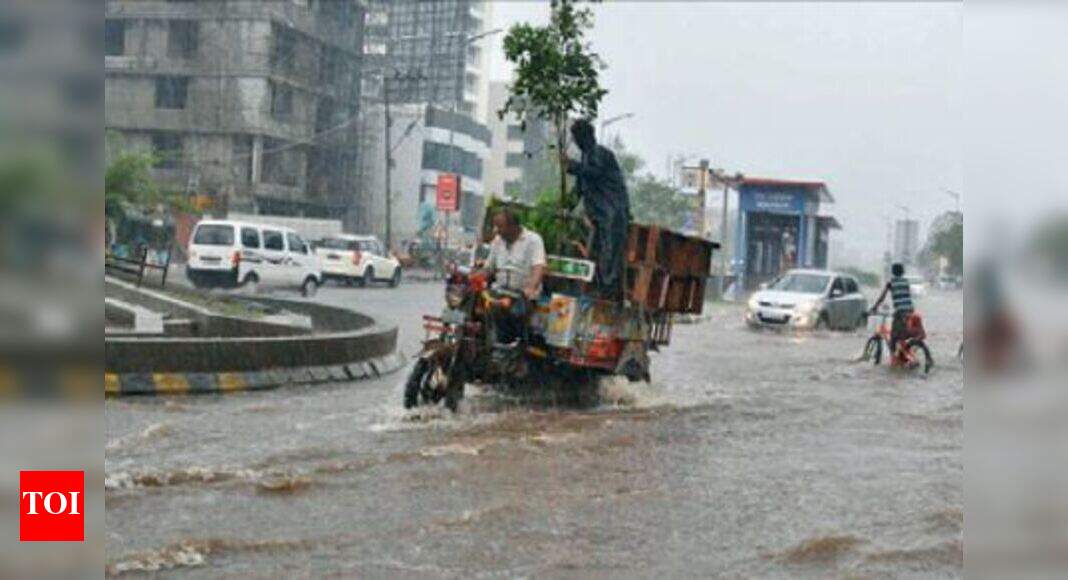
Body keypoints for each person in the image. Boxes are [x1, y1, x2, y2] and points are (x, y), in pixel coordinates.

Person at [561, 119, 631, 300]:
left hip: (611, 213)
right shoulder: (585, 159)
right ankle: (592, 287)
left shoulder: (601, 154)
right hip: (595, 216)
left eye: (577, 137)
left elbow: (593, 172)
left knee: (609, 253)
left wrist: (572, 166)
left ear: (585, 137)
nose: (575, 142)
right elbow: (580, 188)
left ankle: (607, 291)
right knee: (592, 253)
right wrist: (566, 206)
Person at [481, 208, 547, 344]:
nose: (496, 230)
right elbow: (488, 268)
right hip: (498, 292)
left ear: (513, 226)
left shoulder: (533, 240)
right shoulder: (498, 241)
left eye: (500, 227)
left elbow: (538, 267)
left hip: (520, 296)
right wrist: (475, 277)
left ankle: (509, 344)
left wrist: (530, 288)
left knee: (506, 313)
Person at [870, 263, 915, 357]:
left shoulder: (891, 282)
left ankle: (894, 360)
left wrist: (874, 307)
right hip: (910, 310)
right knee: (902, 334)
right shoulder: (906, 281)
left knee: (893, 338)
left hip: (900, 312)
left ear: (893, 272)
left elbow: (882, 297)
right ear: (902, 272)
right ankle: (903, 356)